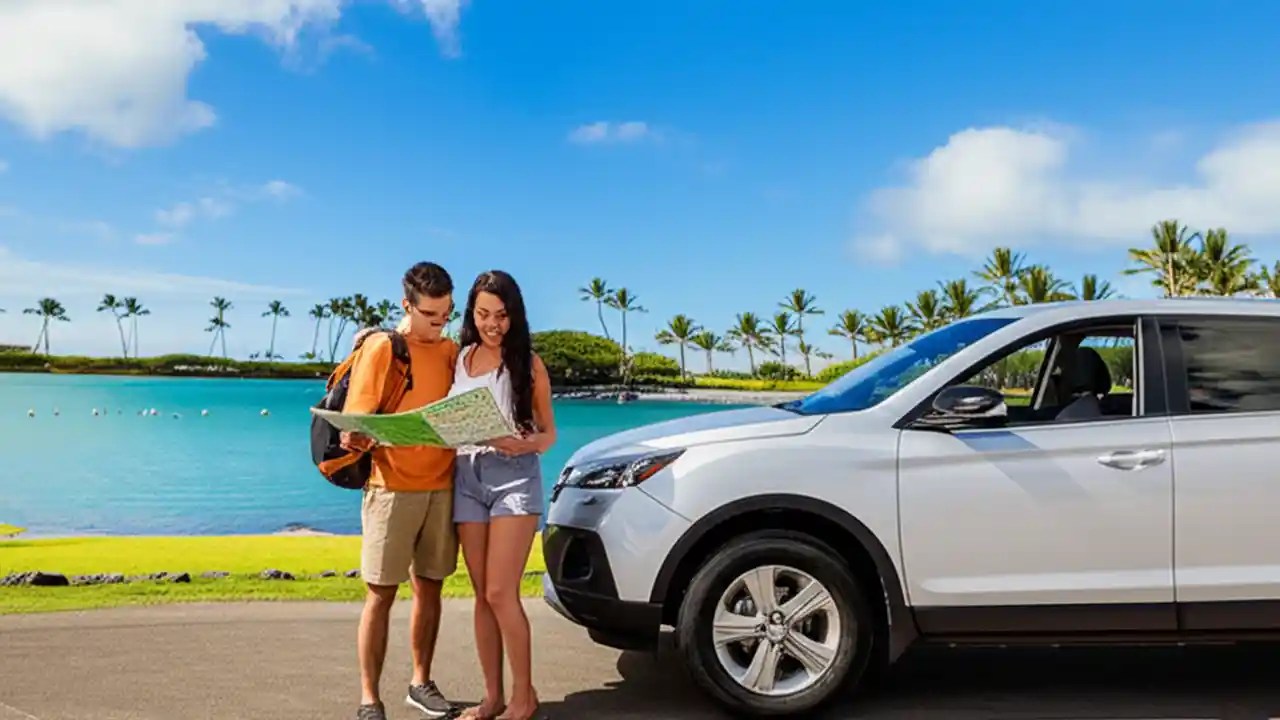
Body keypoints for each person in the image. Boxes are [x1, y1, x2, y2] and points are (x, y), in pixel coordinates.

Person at [341, 261, 461, 720]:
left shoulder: (451, 350)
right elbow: (357, 421)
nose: (439, 325)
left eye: (446, 314)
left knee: (430, 588)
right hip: (390, 487)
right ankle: (369, 699)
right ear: (406, 305)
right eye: (430, 315)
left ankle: (420, 682)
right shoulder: (381, 349)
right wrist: (357, 437)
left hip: (442, 487)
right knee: (380, 594)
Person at [451, 270, 556, 720]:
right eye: (482, 314)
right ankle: (492, 697)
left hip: (513, 475)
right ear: (471, 315)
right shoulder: (461, 358)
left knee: (500, 592)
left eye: (501, 315)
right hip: (466, 475)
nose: (492, 323)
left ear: (515, 315)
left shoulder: (528, 364)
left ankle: (523, 697)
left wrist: (523, 443)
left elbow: (549, 433)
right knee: (480, 594)